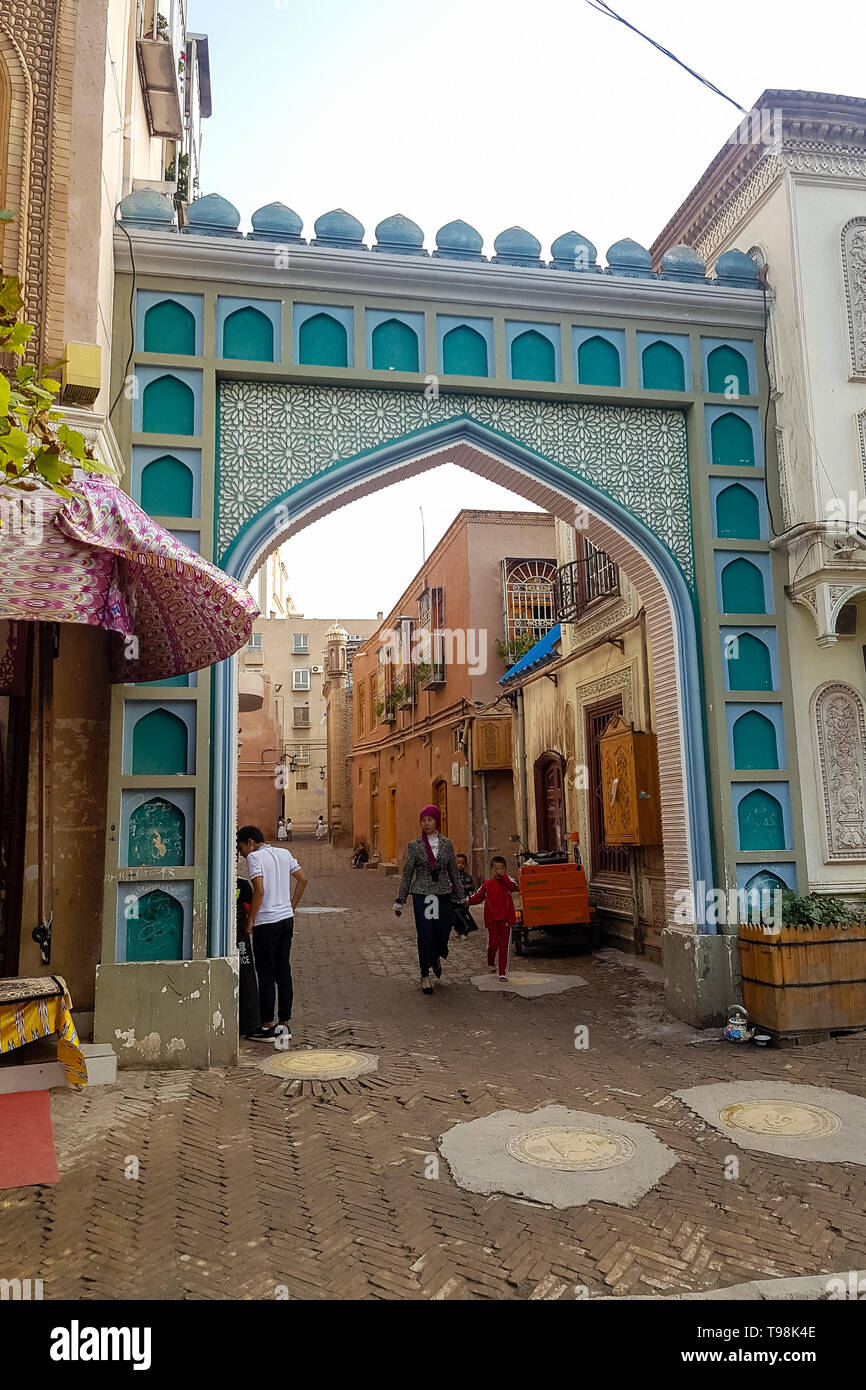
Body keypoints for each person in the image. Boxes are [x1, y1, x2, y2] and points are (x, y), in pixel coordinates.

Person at [237, 825, 307, 1042]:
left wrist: (251, 920)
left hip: (266, 922)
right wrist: (291, 905)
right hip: (286, 919)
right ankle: (284, 1022)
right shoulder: (283, 853)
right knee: (283, 971)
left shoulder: (255, 858)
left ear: (250, 842)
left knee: (266, 973)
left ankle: (267, 1024)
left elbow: (259, 890)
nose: (241, 854)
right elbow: (303, 879)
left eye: (241, 848)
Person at [394, 804, 466, 994]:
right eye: (423, 821)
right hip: (423, 894)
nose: (426, 824)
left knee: (441, 931)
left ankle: (436, 956)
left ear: (436, 821)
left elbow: (453, 872)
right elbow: (408, 874)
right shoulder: (415, 846)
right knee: (425, 932)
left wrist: (461, 895)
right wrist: (400, 900)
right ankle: (425, 974)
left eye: (430, 820)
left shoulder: (447, 844)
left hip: (441, 894)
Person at [468, 855, 519, 982]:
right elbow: (477, 897)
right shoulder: (487, 884)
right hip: (492, 921)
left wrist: (504, 877)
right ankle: (490, 962)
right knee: (493, 945)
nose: (499, 871)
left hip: (506, 919)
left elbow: (514, 887)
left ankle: (502, 972)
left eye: (502, 868)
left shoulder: (508, 881)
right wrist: (466, 901)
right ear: (491, 869)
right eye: (496, 868)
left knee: (504, 946)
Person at [452, 853, 476, 938]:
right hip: (453, 900)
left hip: (463, 900)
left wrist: (463, 887)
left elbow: (471, 886)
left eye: (462, 863)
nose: (460, 865)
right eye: (458, 863)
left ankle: (464, 931)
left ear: (465, 865)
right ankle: (458, 930)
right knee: (453, 918)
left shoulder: (467, 876)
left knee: (462, 916)